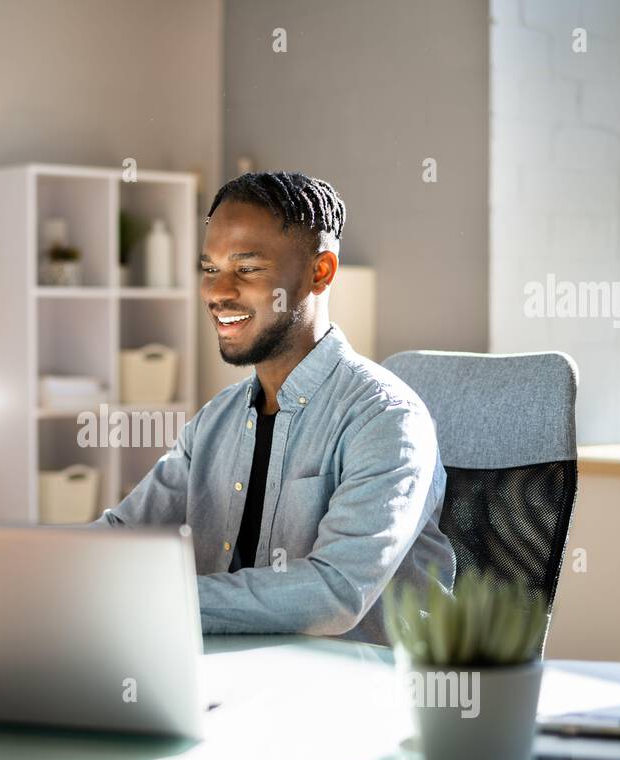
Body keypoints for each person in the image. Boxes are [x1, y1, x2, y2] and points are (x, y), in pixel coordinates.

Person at [94, 170, 454, 641]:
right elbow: (122, 534)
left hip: (362, 694)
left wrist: (155, 600)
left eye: (246, 269)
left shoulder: (385, 419)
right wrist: (34, 570)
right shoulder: (216, 421)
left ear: (319, 272)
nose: (217, 291)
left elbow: (333, 592)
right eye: (208, 269)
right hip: (240, 678)